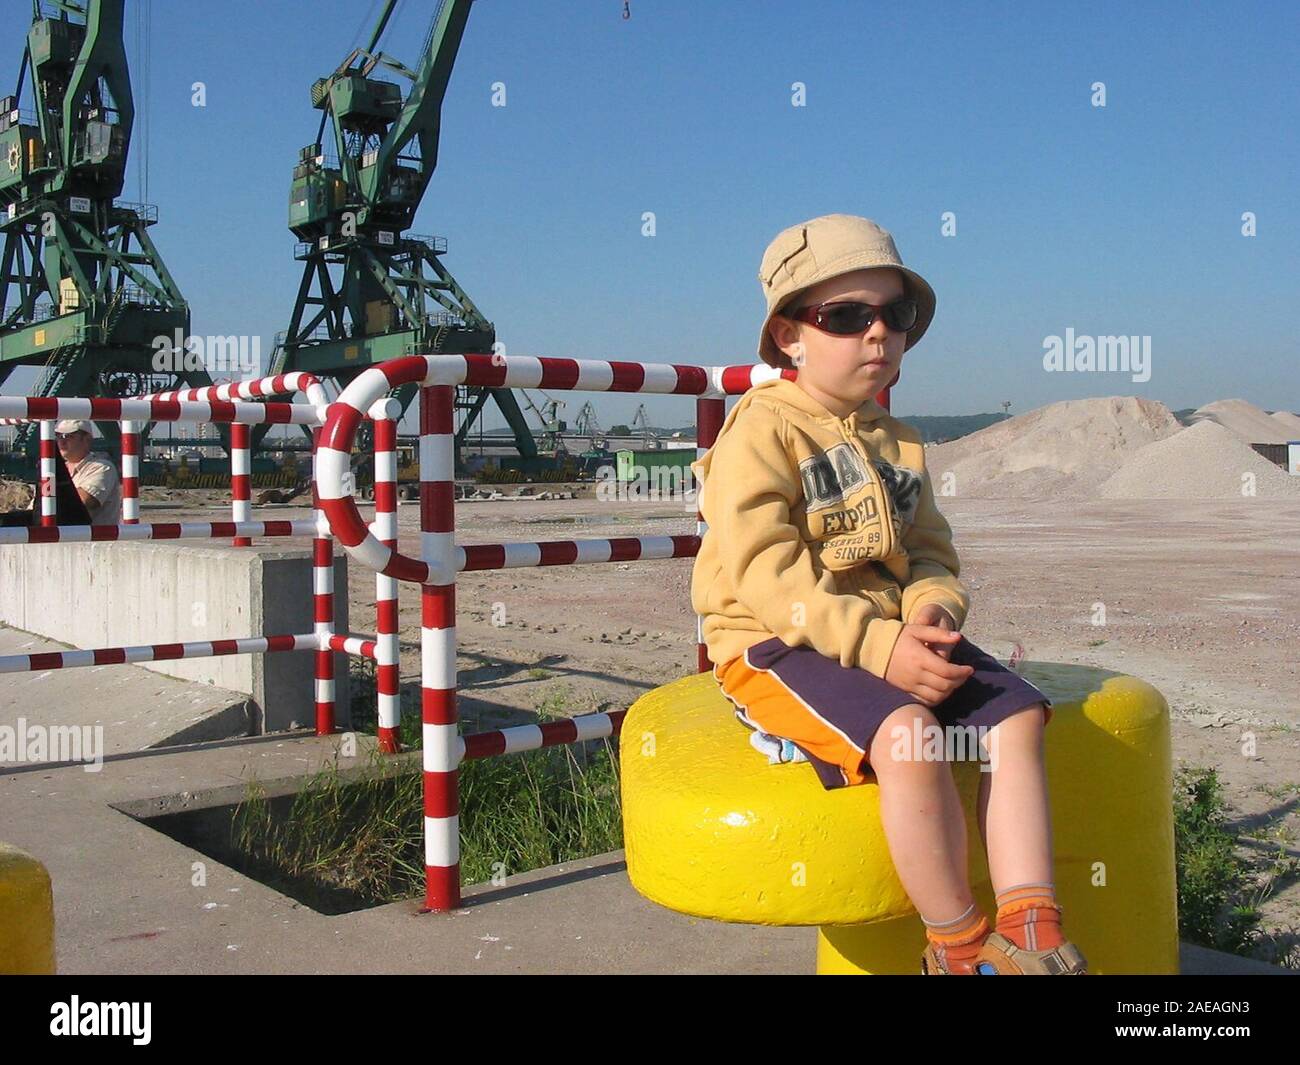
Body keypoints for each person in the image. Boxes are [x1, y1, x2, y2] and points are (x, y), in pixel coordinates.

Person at [690, 214, 1086, 975]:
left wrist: (932, 613)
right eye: (846, 317)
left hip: (891, 630)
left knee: (1018, 715)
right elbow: (766, 573)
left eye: (894, 315)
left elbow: (931, 551)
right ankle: (958, 944)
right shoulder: (761, 432)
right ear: (788, 337)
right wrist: (881, 649)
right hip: (773, 642)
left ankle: (1030, 924)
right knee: (908, 733)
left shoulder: (897, 439)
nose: (878, 334)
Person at [54, 419, 121, 525]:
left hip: (94, 538)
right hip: (66, 536)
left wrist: (52, 491)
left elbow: (85, 501)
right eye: (58, 436)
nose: (62, 441)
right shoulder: (58, 470)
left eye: (69, 436)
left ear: (87, 439)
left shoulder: (102, 468)